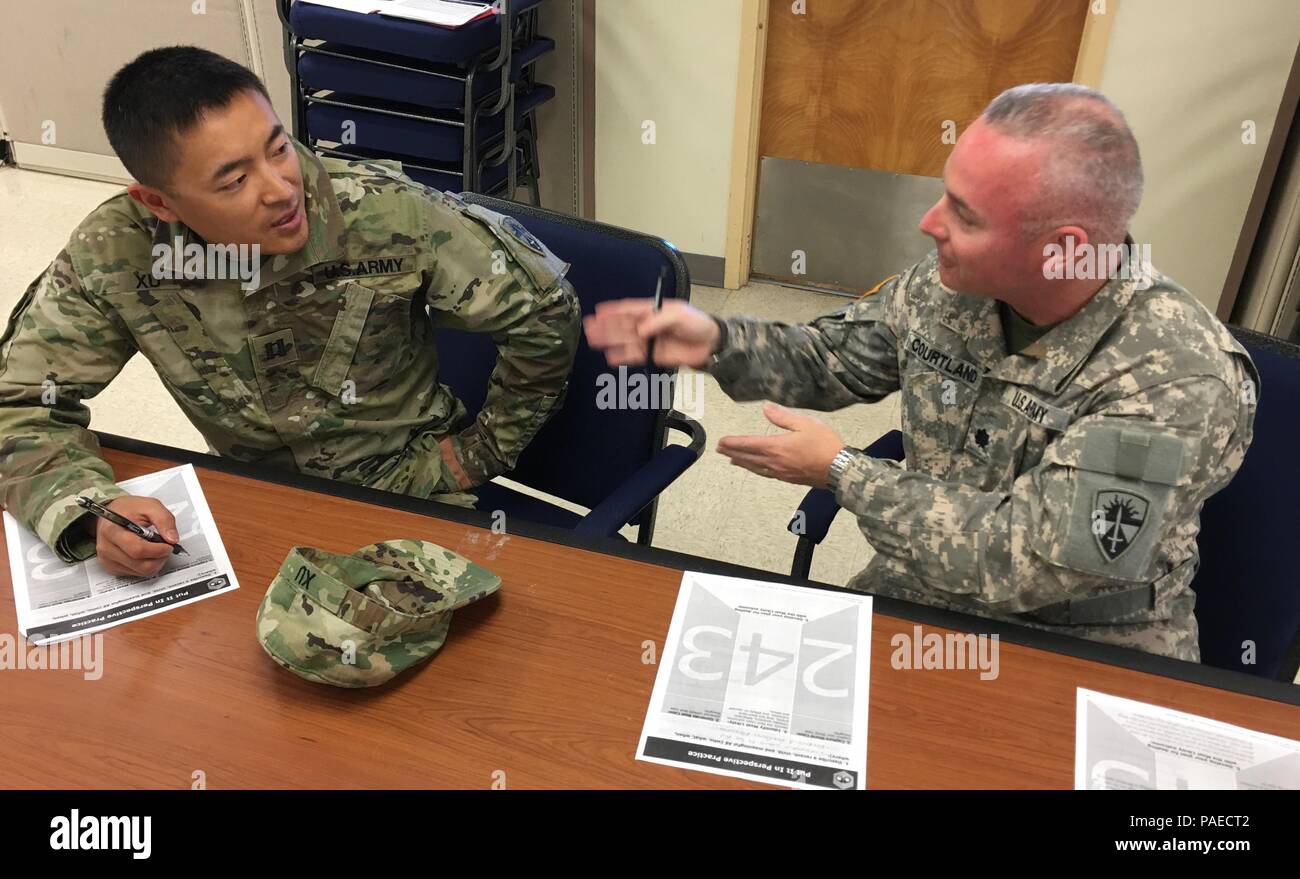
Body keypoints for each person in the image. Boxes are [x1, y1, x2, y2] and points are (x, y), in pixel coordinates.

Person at [584, 83, 1259, 662]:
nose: (928, 222)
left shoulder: (1174, 376)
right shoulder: (950, 287)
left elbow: (1024, 559)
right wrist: (718, 339)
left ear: (1063, 251)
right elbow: (835, 359)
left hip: (1088, 642)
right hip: (930, 586)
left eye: (965, 214)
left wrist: (843, 472)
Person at [0, 47, 580, 578]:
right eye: (235, 180)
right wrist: (87, 508)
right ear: (159, 202)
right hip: (252, 499)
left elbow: (544, 313)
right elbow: (19, 403)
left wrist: (480, 451)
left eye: (278, 148)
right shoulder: (118, 251)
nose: (282, 189)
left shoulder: (384, 213)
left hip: (403, 490)